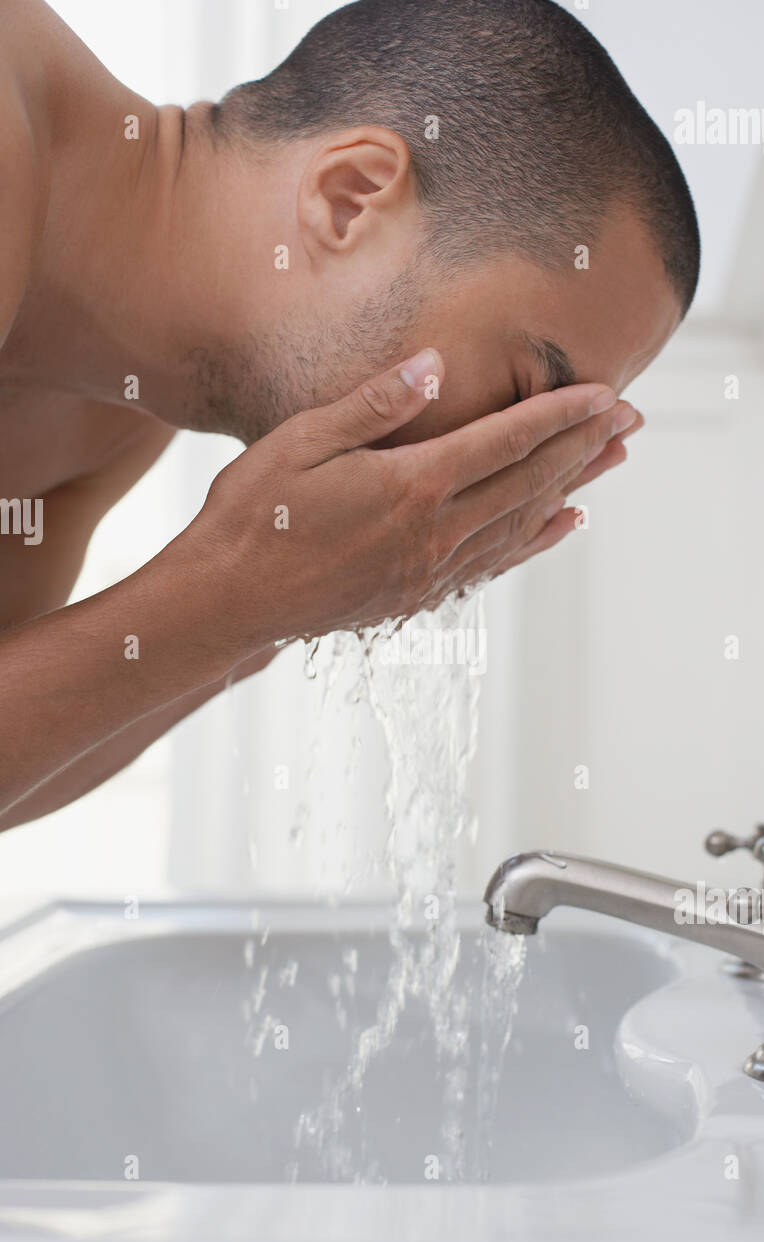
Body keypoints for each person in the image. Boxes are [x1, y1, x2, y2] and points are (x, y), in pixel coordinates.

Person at [0, 0, 699, 828]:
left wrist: (281, 606)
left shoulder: (114, 413)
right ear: (350, 197)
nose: (508, 465)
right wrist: (235, 592)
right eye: (521, 396)